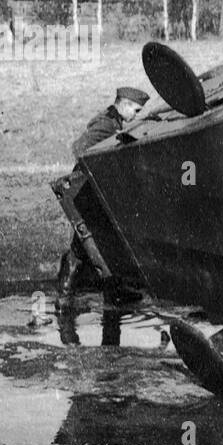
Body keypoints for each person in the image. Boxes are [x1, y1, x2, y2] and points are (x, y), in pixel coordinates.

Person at [57, 87, 149, 301]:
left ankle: (103, 292)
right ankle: (66, 295)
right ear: (124, 104)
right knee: (86, 243)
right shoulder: (106, 124)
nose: (136, 115)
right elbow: (79, 148)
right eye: (136, 110)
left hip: (90, 188)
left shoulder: (112, 120)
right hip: (86, 189)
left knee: (94, 241)